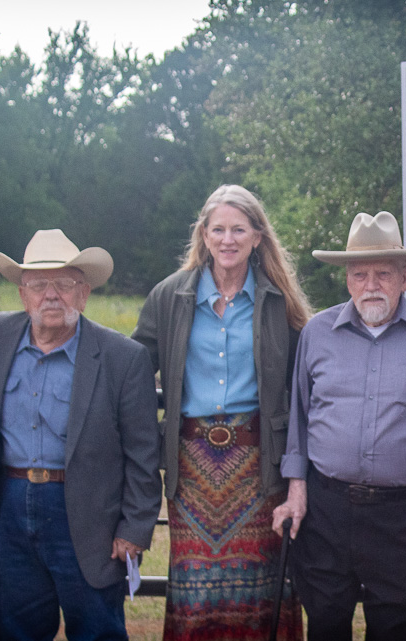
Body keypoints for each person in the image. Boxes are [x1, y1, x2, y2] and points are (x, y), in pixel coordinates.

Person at [271, 211, 406, 641]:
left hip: (402, 513)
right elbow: (299, 420)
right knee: (324, 621)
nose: (371, 285)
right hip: (327, 507)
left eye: (383, 273)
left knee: (396, 625)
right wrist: (296, 491)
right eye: (360, 274)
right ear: (347, 279)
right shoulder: (317, 333)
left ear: (405, 277)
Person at [132, 185, 311, 640]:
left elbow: (307, 387)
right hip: (189, 469)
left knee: (259, 594)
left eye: (238, 229)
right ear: (204, 236)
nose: (228, 239)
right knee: (197, 593)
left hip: (259, 466)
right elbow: (131, 373)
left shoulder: (280, 302)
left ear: (257, 237)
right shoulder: (168, 297)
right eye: (218, 229)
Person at [0, 229, 161, 640]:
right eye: (39, 285)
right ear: (22, 295)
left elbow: (144, 453)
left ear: (84, 294)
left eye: (64, 284)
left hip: (87, 512)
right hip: (9, 505)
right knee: (14, 630)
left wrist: (133, 528)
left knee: (97, 630)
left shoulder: (123, 358)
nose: (51, 295)